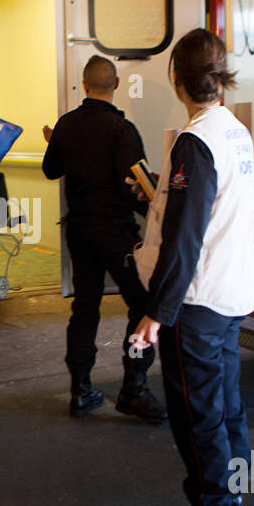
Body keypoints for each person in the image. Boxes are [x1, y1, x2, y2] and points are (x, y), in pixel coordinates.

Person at [129, 28, 254, 506]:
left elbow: (185, 239)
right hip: (231, 295)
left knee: (198, 419)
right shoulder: (235, 133)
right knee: (226, 411)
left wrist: (157, 312)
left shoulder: (196, 142)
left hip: (198, 303)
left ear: (176, 79)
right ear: (220, 77)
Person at [42, 55, 166, 422]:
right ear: (115, 87)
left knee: (85, 308)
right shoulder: (122, 130)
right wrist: (158, 221)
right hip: (115, 232)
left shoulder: (66, 125)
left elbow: (52, 170)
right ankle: (134, 390)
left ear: (84, 85)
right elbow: (136, 185)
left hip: (79, 232)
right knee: (143, 306)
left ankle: (81, 392)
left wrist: (56, 143)